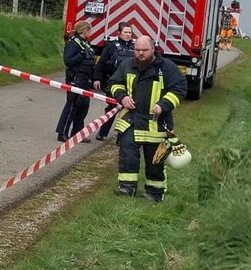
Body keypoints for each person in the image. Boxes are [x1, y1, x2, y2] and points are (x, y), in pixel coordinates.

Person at [108, 35, 186, 202]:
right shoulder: (127, 65)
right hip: (131, 120)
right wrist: (122, 97)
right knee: (127, 155)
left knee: (155, 161)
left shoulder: (167, 68)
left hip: (156, 124)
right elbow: (114, 83)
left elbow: (179, 88)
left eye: (144, 50)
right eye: (137, 50)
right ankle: (126, 189)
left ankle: (154, 193)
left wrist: (163, 104)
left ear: (153, 49)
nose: (140, 54)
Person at [55, 21, 96, 142]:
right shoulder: (73, 43)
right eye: (90, 30)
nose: (91, 32)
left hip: (85, 79)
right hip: (75, 79)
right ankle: (62, 132)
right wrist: (80, 55)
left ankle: (77, 133)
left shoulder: (85, 43)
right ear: (84, 30)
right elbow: (68, 61)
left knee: (83, 107)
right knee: (72, 105)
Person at [94, 22, 135, 140]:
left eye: (130, 32)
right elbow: (101, 63)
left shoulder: (134, 47)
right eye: (125, 32)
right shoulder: (111, 46)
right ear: (119, 33)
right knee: (112, 107)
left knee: (126, 110)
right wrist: (97, 78)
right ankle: (102, 133)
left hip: (130, 84)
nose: (128, 35)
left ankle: (121, 138)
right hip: (113, 82)